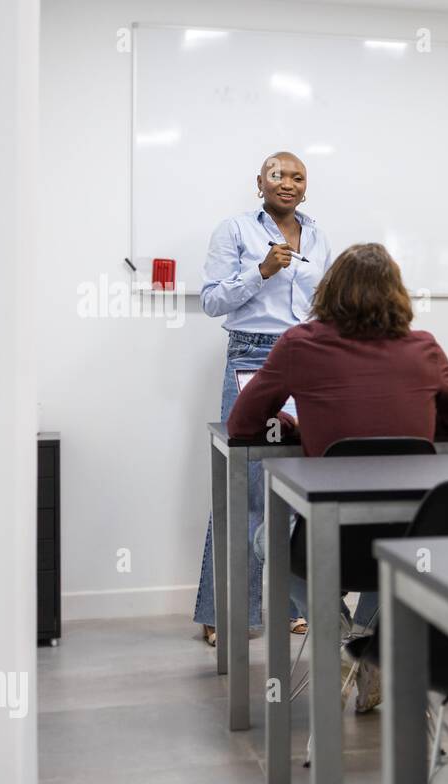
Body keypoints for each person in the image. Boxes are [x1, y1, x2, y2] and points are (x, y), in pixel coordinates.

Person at [229, 242, 448, 711]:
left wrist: (290, 426)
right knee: (389, 537)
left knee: (268, 537)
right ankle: (371, 647)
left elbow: (242, 426)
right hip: (412, 537)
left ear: (328, 291)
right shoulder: (423, 348)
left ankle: (338, 635)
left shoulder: (299, 344)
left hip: (326, 538)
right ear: (397, 295)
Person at [193, 151, 332, 646]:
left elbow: (324, 305)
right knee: (247, 488)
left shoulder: (317, 235)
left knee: (301, 483)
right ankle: (229, 611)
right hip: (251, 358)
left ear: (306, 187)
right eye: (278, 175)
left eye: (298, 177)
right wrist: (261, 271)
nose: (288, 183)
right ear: (260, 182)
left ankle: (294, 604)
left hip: (307, 359)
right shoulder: (234, 230)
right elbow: (211, 300)